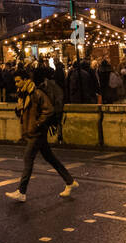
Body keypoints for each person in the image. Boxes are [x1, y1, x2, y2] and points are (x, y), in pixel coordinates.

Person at [5, 68, 77, 202]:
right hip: (34, 132)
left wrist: (37, 124)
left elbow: (48, 110)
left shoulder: (36, 93)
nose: (16, 84)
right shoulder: (24, 94)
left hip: (37, 132)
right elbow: (24, 113)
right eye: (15, 81)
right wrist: (19, 110)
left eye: (18, 81)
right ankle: (70, 181)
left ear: (26, 80)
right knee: (51, 158)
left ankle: (22, 192)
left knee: (28, 158)